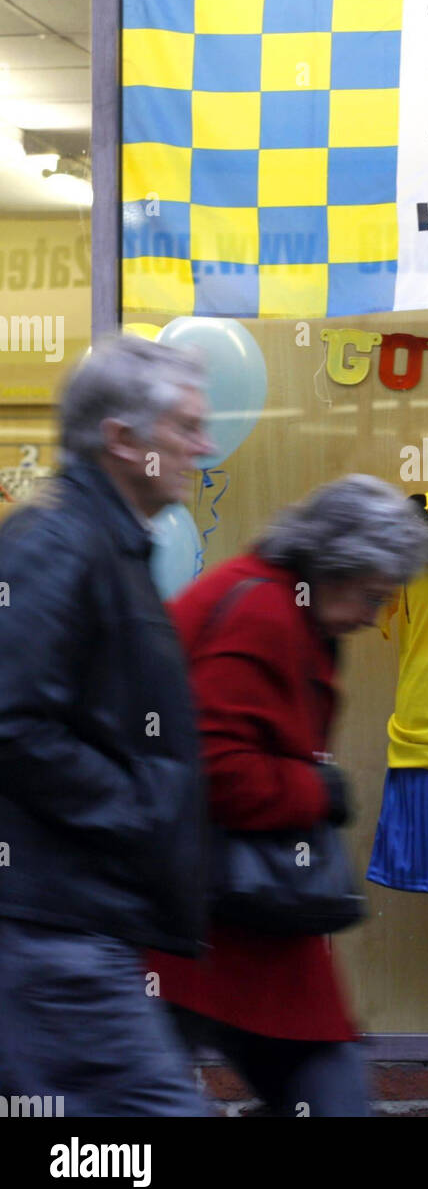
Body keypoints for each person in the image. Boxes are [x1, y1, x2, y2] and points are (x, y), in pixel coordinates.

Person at [149, 476, 428, 1117]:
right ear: (338, 566)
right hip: (217, 918)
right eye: (373, 594)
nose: (374, 615)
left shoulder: (275, 603)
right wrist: (319, 789)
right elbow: (219, 769)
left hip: (232, 913)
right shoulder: (263, 612)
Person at [0, 334, 215, 1115]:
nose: (205, 445)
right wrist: (138, 810)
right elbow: (11, 721)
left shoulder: (104, 544)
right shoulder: (59, 542)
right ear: (122, 440)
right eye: (186, 428)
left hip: (75, 926)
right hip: (54, 933)